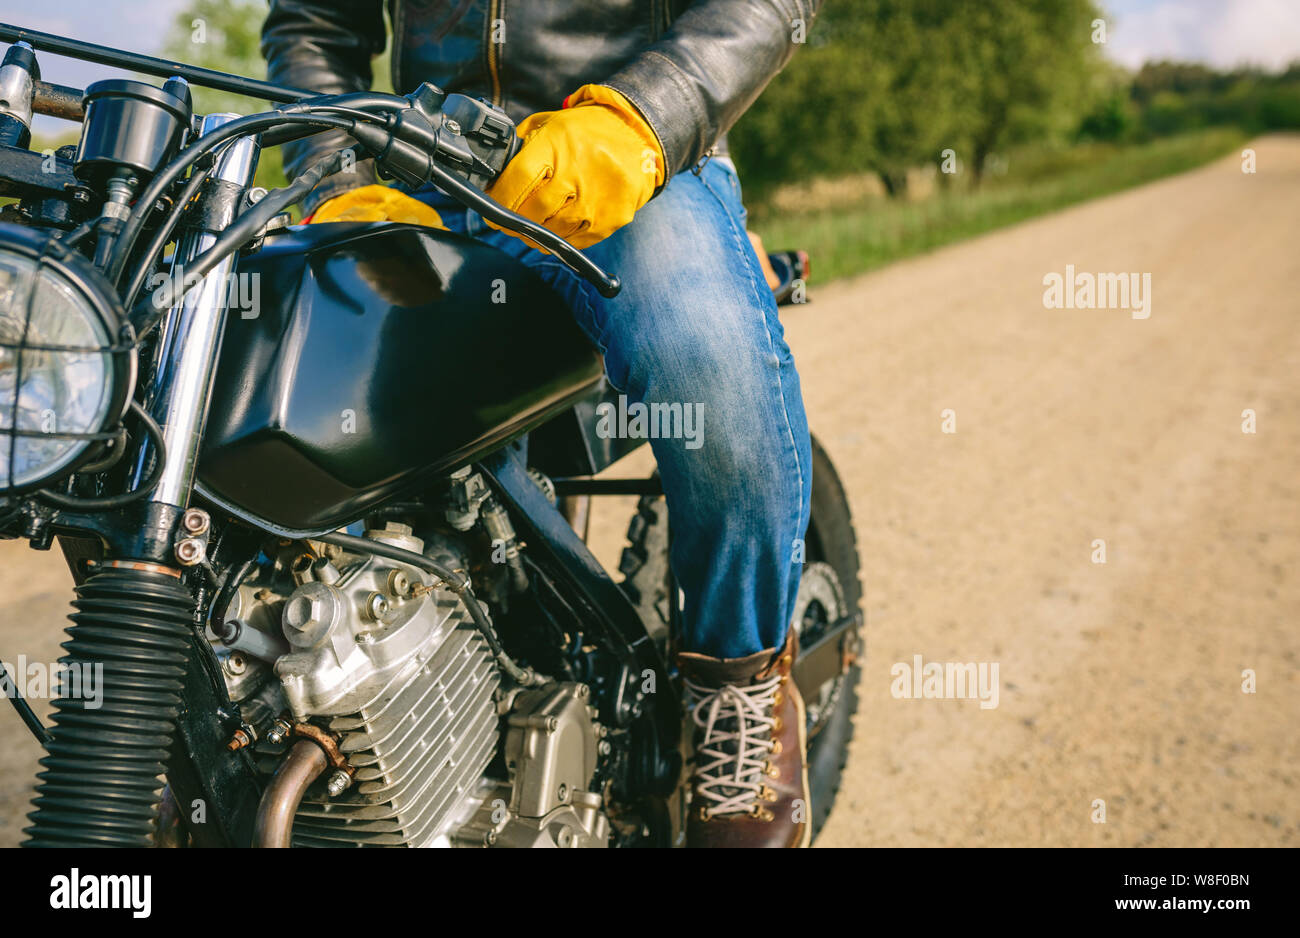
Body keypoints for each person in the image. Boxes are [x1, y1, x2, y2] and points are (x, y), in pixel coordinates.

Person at [262, 0, 821, 848]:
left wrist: (645, 115)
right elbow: (312, 22)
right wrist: (336, 172)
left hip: (631, 157)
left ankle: (738, 688)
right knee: (267, 360)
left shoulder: (636, 134)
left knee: (703, 362)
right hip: (427, 161)